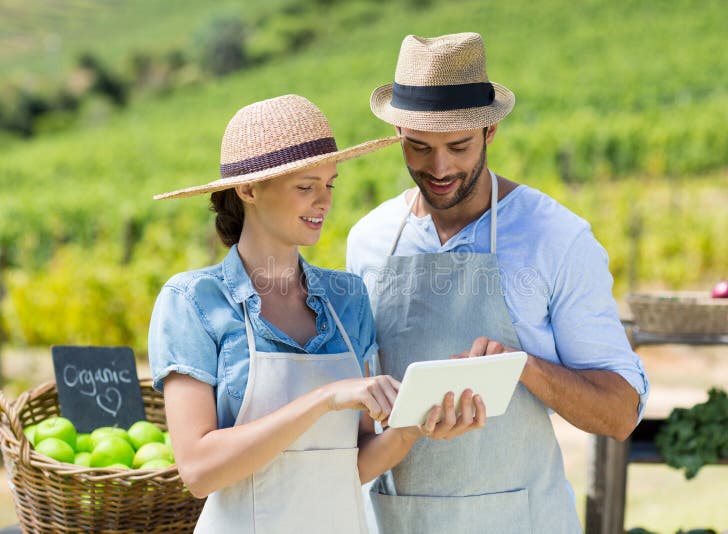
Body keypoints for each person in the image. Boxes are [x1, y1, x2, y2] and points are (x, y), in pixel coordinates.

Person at [346, 33, 651, 533]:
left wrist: (522, 366)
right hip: (399, 520)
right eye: (419, 146)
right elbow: (359, 419)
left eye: (458, 146)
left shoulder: (554, 237)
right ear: (398, 130)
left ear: (490, 130)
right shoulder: (370, 240)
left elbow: (619, 415)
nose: (439, 168)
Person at [148, 95, 441, 533]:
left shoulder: (347, 298)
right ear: (249, 190)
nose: (324, 201)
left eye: (330, 184)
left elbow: (352, 463)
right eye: (306, 187)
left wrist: (409, 429)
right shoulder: (194, 301)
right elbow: (199, 470)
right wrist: (325, 398)